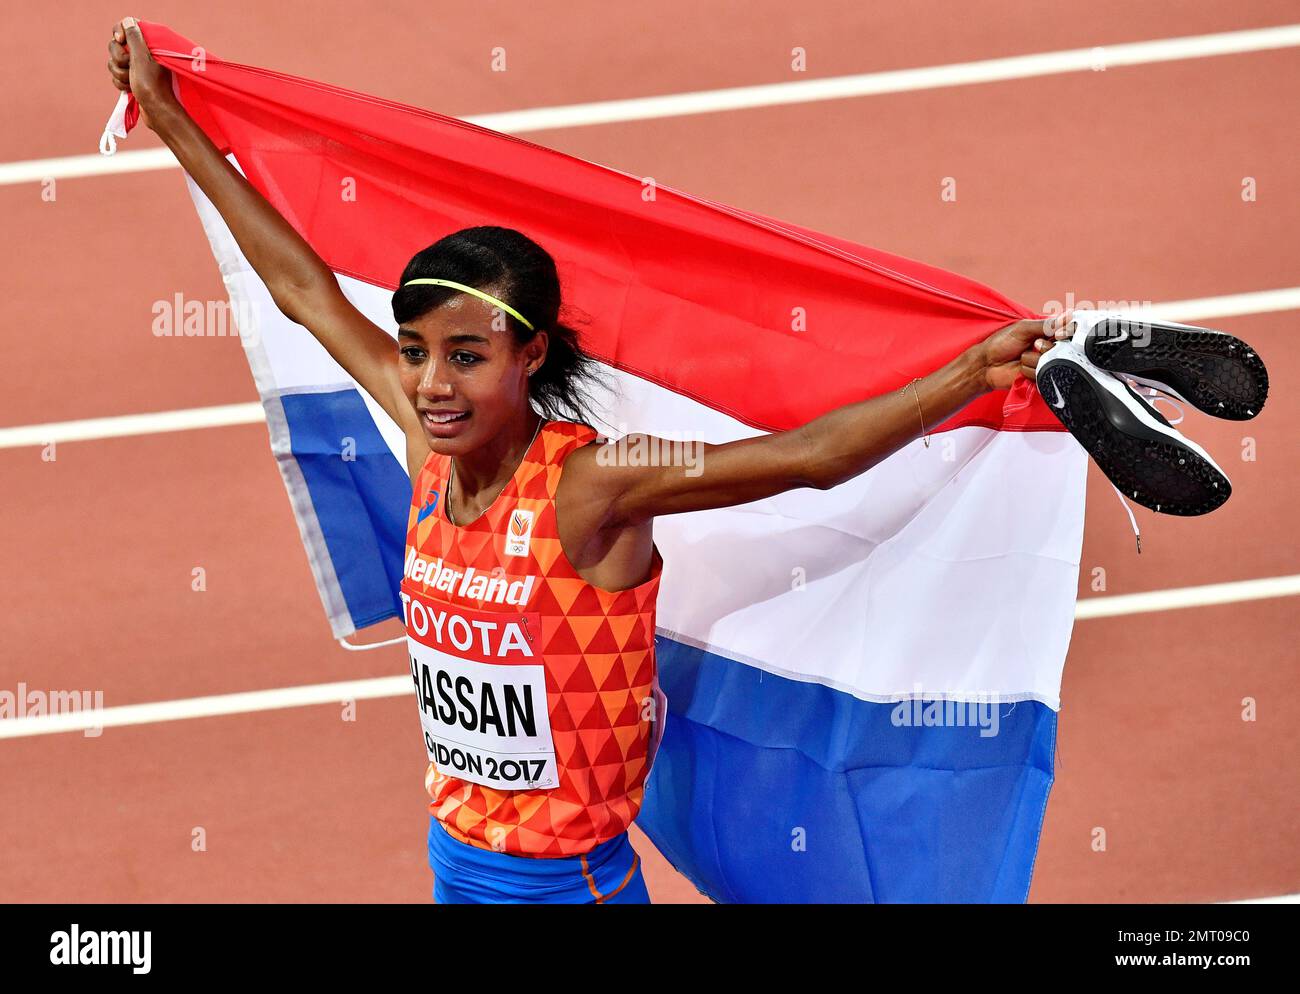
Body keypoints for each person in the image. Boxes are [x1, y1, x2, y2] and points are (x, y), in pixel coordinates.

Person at [107, 17, 1080, 904]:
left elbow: (804, 459)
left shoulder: (594, 485)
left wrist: (966, 377)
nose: (433, 383)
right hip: (454, 864)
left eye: (466, 357)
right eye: (415, 352)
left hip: (569, 887)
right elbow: (303, 290)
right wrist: (171, 121)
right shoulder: (423, 437)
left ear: (530, 356)